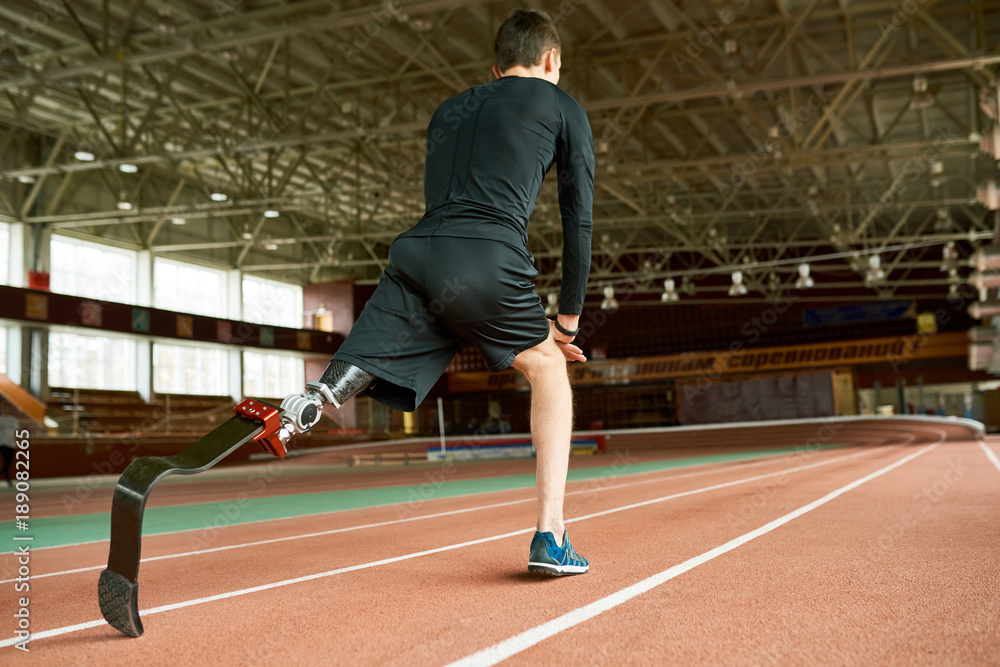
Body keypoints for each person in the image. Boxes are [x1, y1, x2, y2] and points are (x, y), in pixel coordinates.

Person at [288, 8, 594, 575]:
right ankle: (550, 535)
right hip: (485, 254)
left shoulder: (450, 108)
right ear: (552, 60)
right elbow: (577, 220)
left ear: (495, 67)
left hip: (416, 254)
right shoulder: (562, 106)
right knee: (548, 366)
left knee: (373, 352)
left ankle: (314, 400)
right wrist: (567, 322)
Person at [0, 403, 19, 487]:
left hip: (11, 443)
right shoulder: (0, 420)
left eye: (8, 409)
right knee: (5, 462)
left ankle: (7, 478)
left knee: (8, 463)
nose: (6, 410)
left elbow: (16, 431)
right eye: (4, 409)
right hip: (2, 443)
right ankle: (8, 480)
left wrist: (17, 441)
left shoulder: (13, 420)